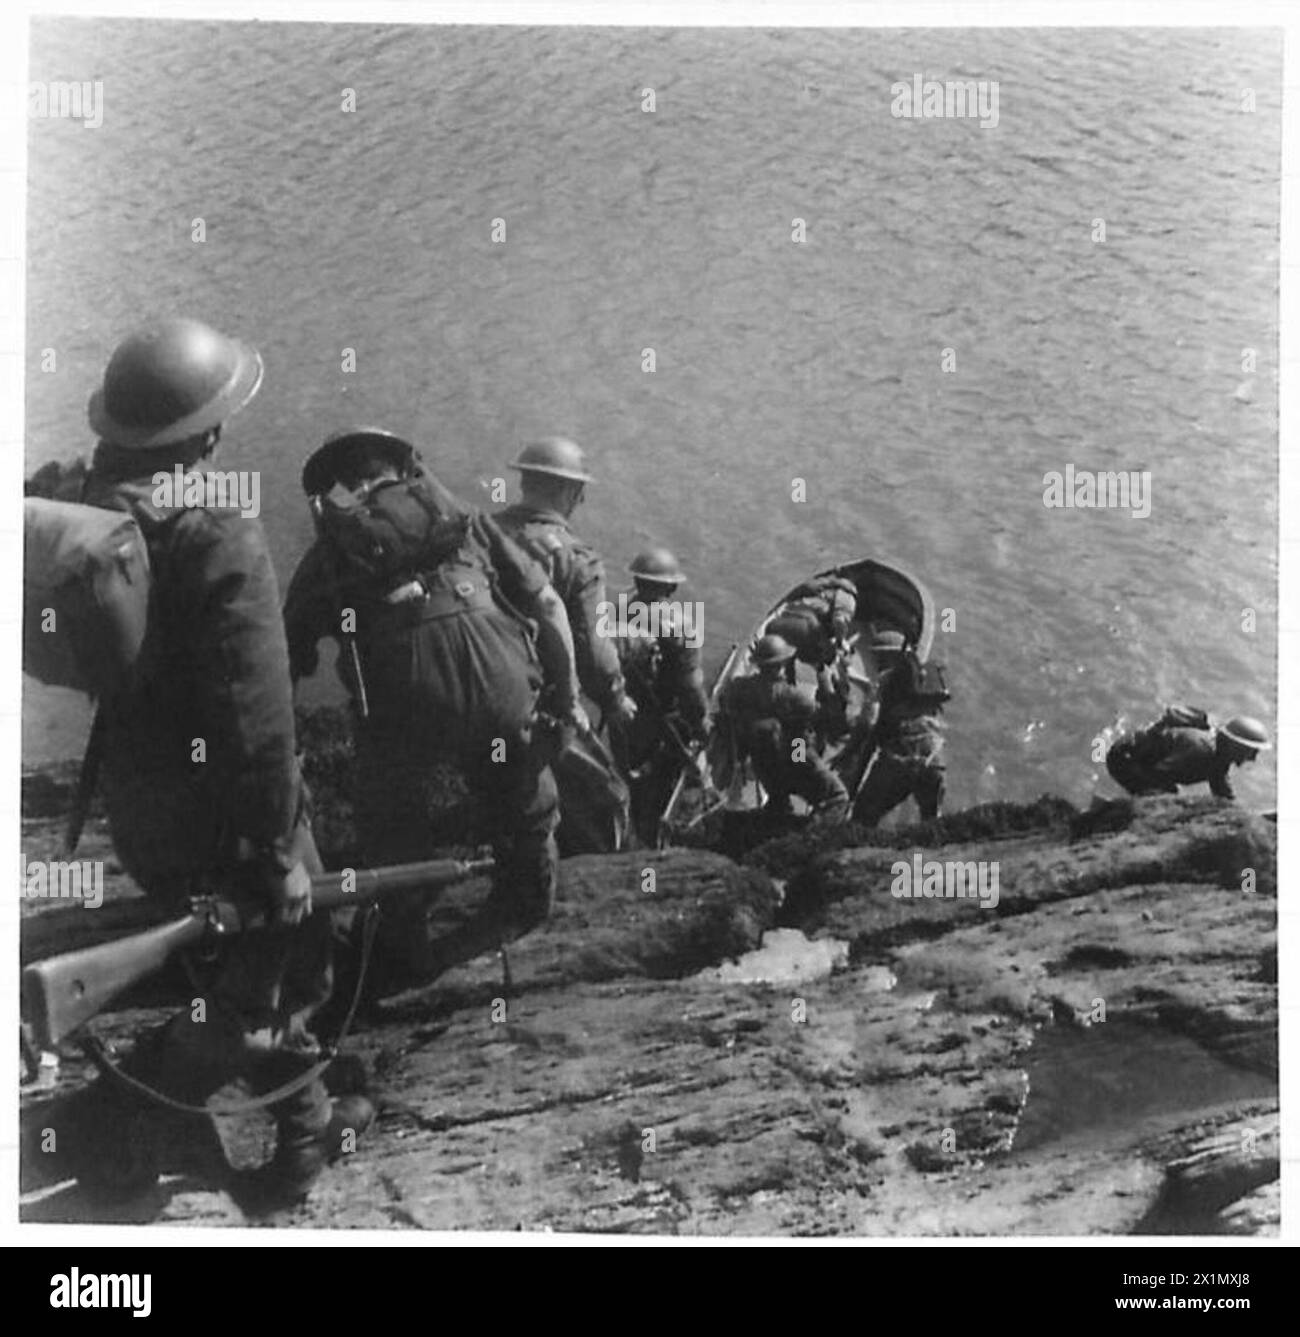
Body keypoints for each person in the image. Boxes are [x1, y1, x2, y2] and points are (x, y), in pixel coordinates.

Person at [58, 317, 369, 1208]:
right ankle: (170, 1122)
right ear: (209, 435)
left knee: (237, 972)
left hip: (141, 811)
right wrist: (277, 851)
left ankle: (199, 1120)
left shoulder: (80, 510)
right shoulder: (218, 535)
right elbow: (260, 719)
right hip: (230, 823)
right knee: (290, 971)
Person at [283, 428, 588, 986]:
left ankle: (404, 930)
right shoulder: (467, 522)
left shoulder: (329, 556)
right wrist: (565, 703)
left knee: (391, 806)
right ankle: (526, 895)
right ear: (406, 469)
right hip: (503, 698)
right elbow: (546, 603)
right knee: (513, 776)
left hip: (407, 717)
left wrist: (283, 774)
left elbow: (285, 665)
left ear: (340, 487)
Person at [495, 437, 635, 853]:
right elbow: (595, 653)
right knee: (611, 798)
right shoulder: (577, 559)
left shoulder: (483, 533)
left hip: (483, 696)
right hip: (542, 706)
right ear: (569, 492)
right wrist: (616, 699)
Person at [608, 546, 710, 842]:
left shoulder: (618, 611)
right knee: (657, 782)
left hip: (620, 709)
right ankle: (649, 839)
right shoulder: (680, 625)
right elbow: (690, 687)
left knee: (624, 769)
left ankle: (622, 826)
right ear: (671, 585)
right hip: (660, 718)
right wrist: (701, 723)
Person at [715, 633, 849, 821]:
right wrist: (828, 684)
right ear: (783, 663)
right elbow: (830, 719)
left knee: (779, 798)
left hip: (763, 764)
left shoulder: (740, 688)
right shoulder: (793, 696)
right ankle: (818, 834)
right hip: (795, 753)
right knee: (839, 796)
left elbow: (724, 700)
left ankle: (778, 810)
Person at [850, 629, 948, 826]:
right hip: (934, 756)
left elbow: (868, 724)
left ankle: (859, 854)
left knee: (862, 815)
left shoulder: (884, 683)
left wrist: (851, 752)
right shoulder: (921, 679)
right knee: (930, 819)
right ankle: (932, 853)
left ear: (886, 655)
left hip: (901, 759)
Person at [1106, 710, 1270, 800]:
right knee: (1165, 796)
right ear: (1237, 746)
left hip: (1143, 762)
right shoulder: (1201, 751)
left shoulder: (1220, 757)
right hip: (1124, 759)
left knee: (1167, 794)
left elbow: (1222, 791)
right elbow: (1158, 774)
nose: (1253, 758)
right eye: (1251, 752)